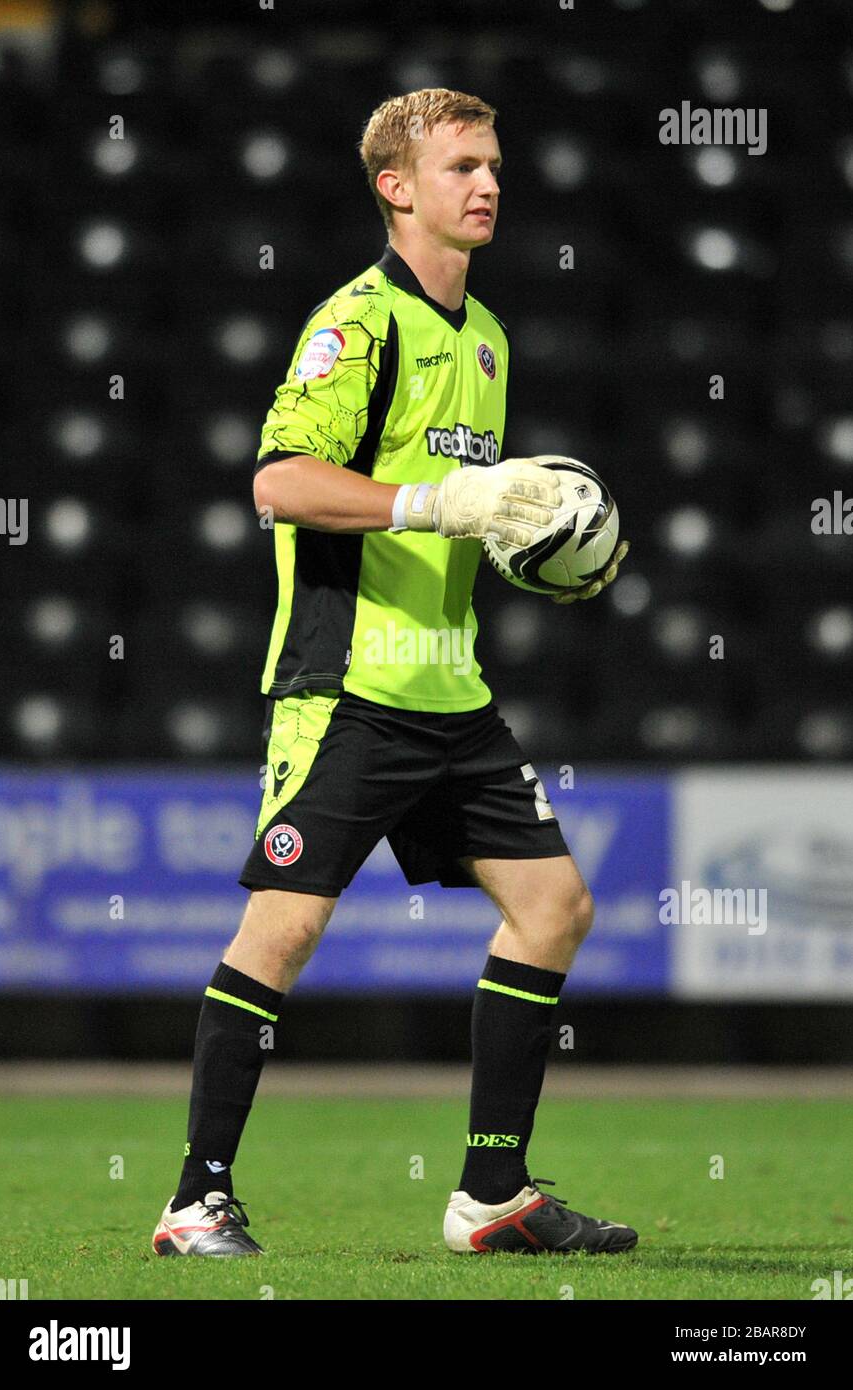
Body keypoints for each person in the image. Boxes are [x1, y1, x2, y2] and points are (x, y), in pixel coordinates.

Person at [152, 87, 634, 1258]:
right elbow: (278, 482)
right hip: (348, 685)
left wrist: (527, 546)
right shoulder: (358, 324)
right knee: (283, 932)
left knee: (554, 906)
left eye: (496, 167)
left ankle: (490, 1196)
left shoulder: (489, 336)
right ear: (396, 186)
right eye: (463, 164)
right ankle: (195, 1201)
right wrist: (438, 499)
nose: (487, 185)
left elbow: (468, 523)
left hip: (451, 692)